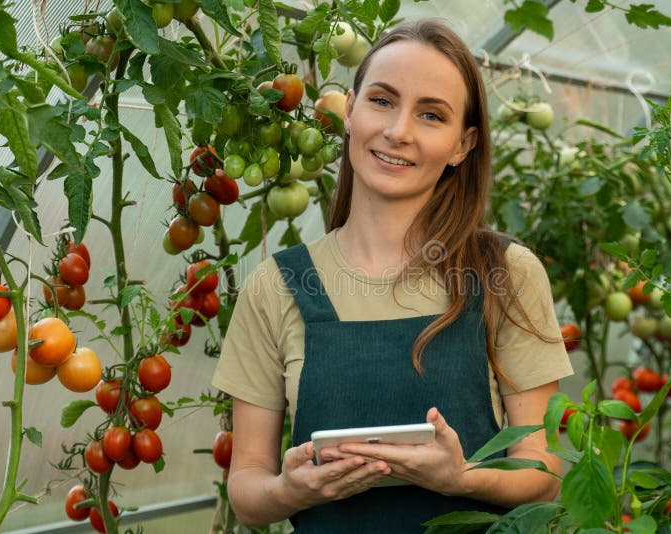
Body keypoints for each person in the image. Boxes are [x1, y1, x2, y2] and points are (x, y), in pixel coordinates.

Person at [212, 18, 574, 533]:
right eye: (382, 101)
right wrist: (286, 490)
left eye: (431, 115)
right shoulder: (276, 286)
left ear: (462, 145)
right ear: (350, 110)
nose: (398, 131)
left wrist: (463, 478)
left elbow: (545, 471)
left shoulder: (504, 274)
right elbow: (247, 487)